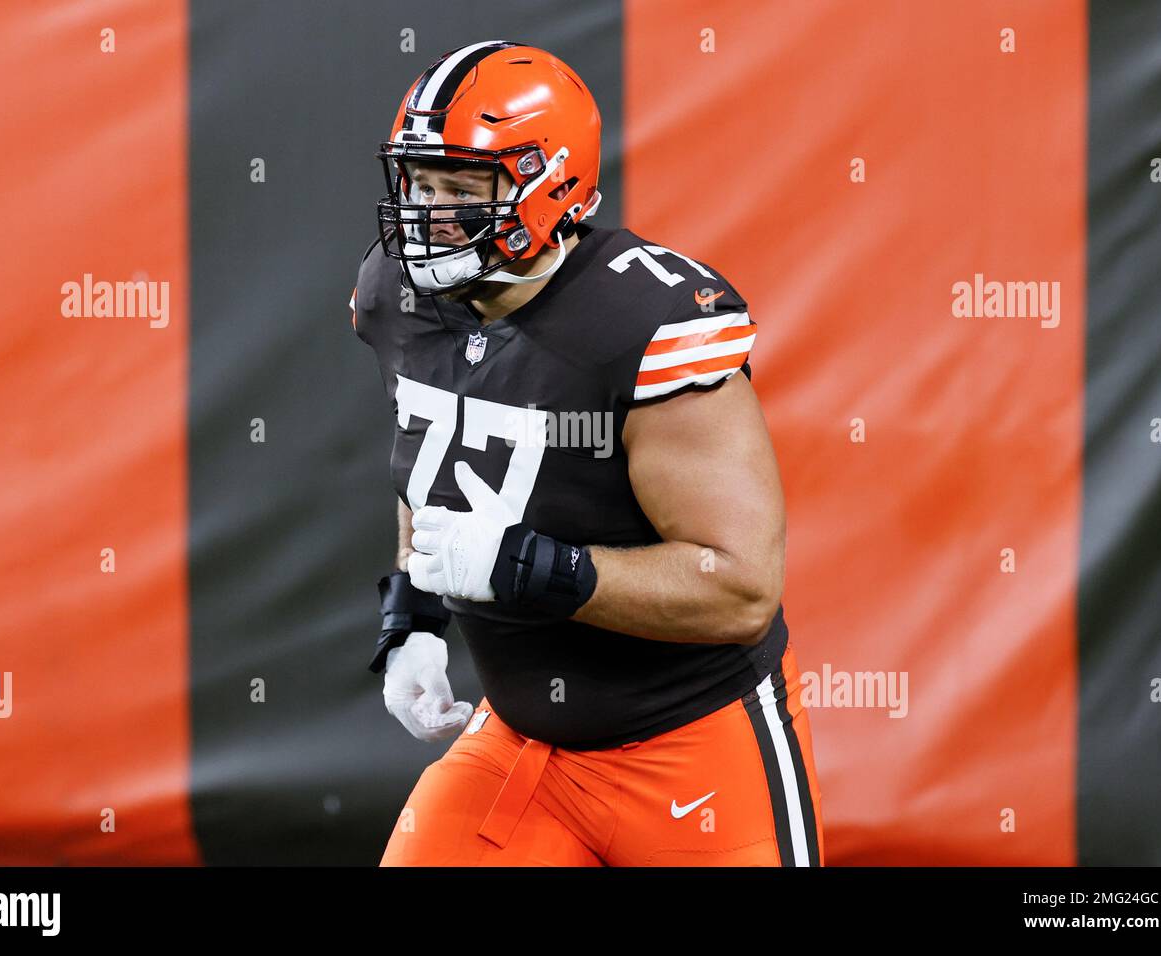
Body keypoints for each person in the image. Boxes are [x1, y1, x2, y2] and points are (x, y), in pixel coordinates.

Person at [350, 39, 824, 866]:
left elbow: (741, 588)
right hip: (518, 738)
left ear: (551, 188)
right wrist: (415, 616)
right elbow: (431, 451)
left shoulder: (639, 324)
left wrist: (531, 568)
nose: (429, 214)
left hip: (689, 750)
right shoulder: (397, 296)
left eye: (462, 189)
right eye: (421, 184)